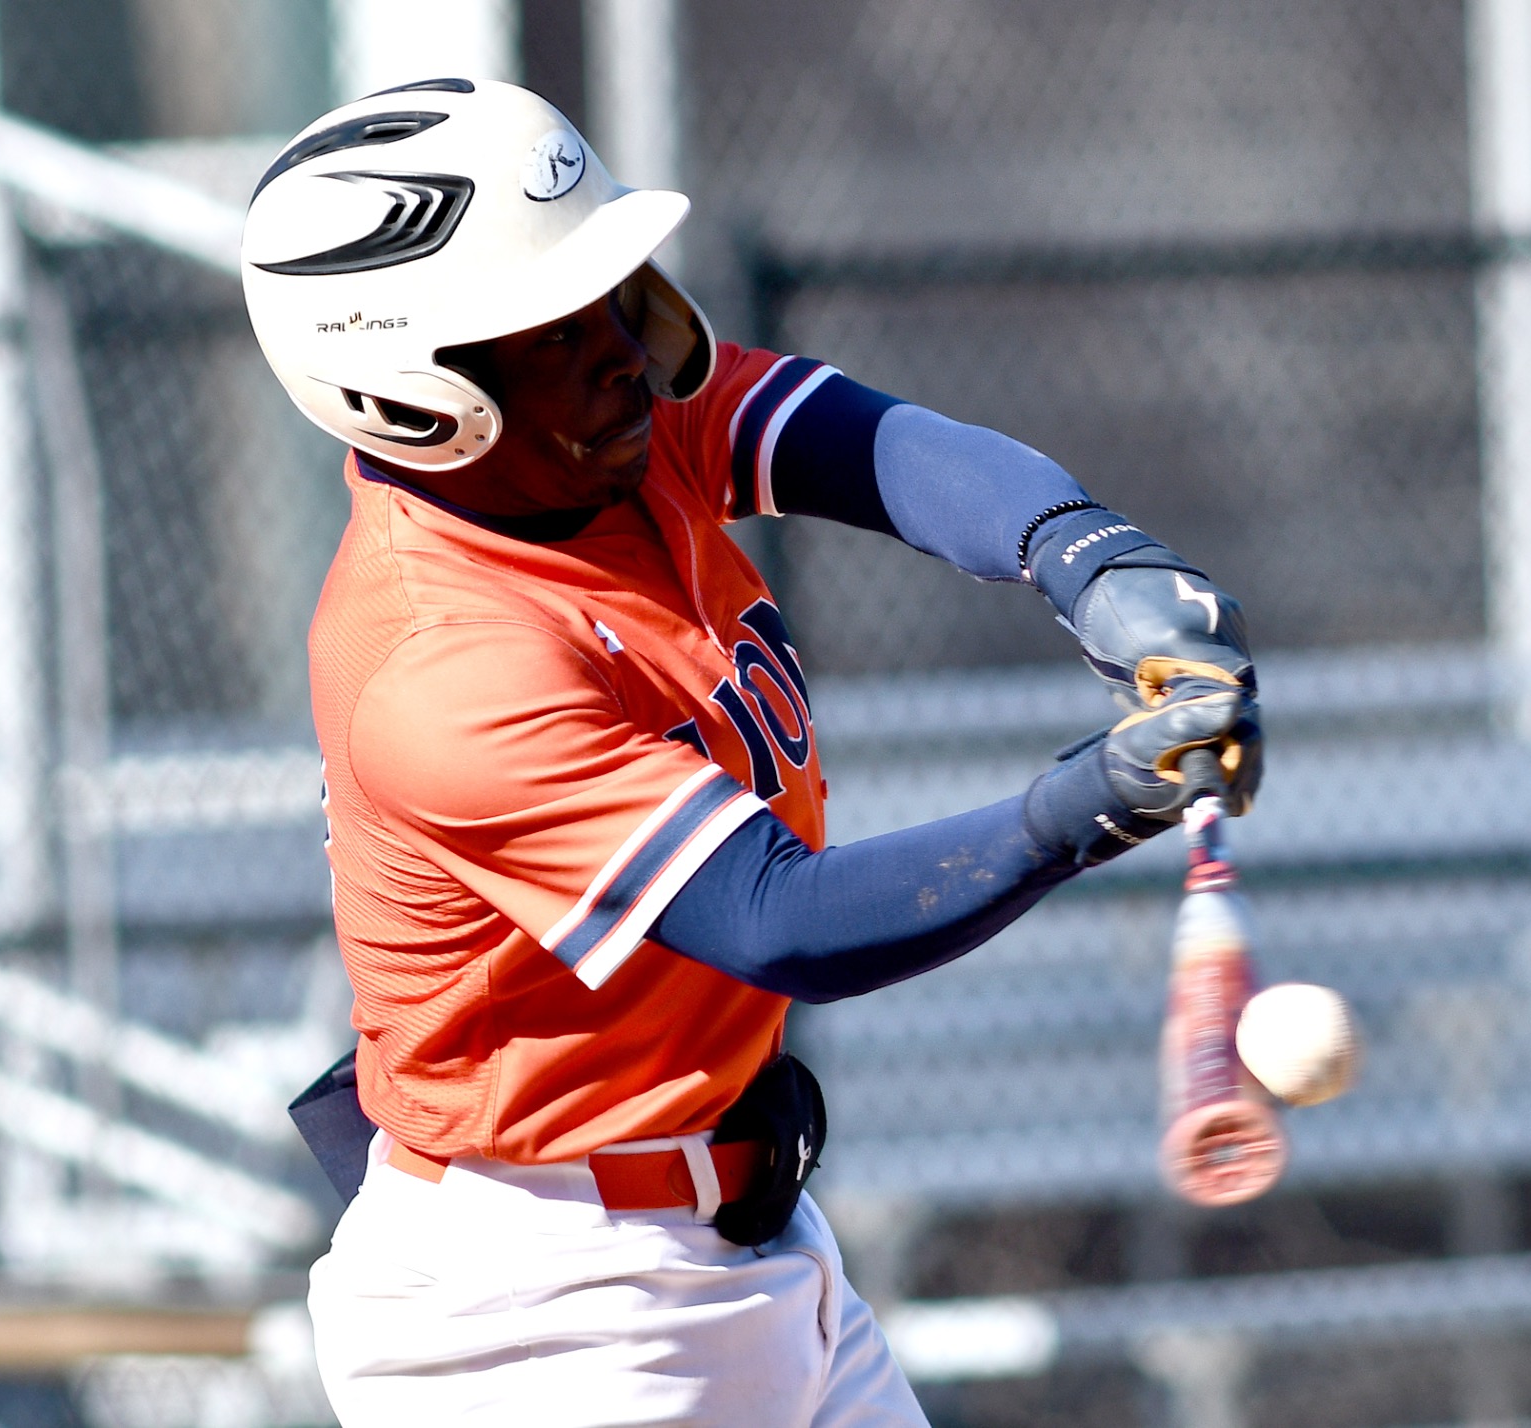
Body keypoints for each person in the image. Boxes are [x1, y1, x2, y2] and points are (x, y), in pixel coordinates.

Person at [242, 79, 1260, 1427]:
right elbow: (785, 923)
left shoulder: (591, 442)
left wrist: (1092, 558)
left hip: (731, 1234)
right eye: (551, 327)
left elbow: (876, 446)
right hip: (545, 1316)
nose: (617, 345)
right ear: (417, 398)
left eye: (609, 291)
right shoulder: (445, 664)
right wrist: (1091, 804)